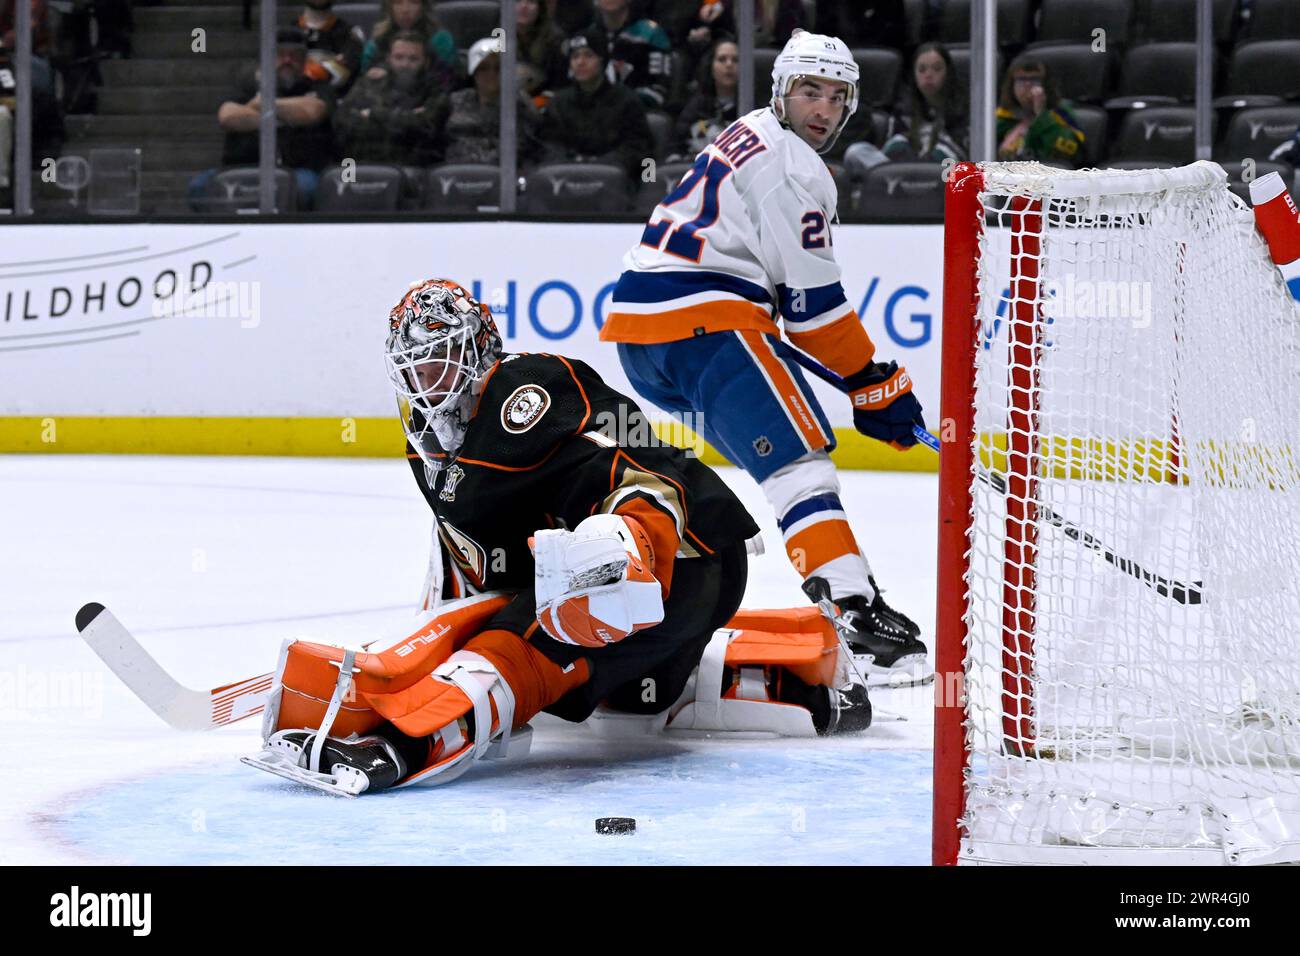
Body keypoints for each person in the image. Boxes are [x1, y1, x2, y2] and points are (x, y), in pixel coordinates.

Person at [241, 279, 872, 794]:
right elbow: (463, 558)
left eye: (439, 364)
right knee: (630, 703)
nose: (426, 385)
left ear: (477, 353)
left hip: (684, 553)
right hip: (624, 586)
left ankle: (407, 741)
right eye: (415, 371)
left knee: (535, 639)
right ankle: (797, 677)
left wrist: (621, 554)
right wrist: (428, 646)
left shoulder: (528, 390)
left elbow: (639, 475)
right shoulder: (426, 446)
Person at [599, 29, 930, 684]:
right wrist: (875, 383)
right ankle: (855, 617)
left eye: (838, 97)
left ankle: (645, 595)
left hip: (646, 335)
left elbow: (790, 301)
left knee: (771, 459)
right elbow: (813, 309)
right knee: (799, 466)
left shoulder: (750, 131)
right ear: (782, 90)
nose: (824, 108)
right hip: (703, 324)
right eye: (810, 90)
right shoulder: (794, 166)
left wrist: (867, 383)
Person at [190, 28, 337, 211]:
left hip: (298, 169)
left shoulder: (319, 87)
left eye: (295, 55)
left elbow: (314, 111)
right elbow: (228, 116)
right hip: (244, 166)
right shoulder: (246, 85)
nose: (287, 61)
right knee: (199, 186)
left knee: (305, 188)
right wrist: (287, 116)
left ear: (304, 60)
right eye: (280, 54)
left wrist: (262, 104)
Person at [538, 32, 653, 184]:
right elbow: (549, 143)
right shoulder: (559, 103)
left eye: (588, 55)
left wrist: (600, 166)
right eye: (575, 57)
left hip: (614, 184)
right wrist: (568, 164)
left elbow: (637, 147)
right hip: (564, 181)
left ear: (602, 60)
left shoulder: (627, 101)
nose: (580, 62)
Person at [844, 40, 967, 177]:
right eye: (922, 69)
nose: (929, 75)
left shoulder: (963, 109)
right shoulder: (903, 109)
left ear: (948, 73)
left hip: (940, 175)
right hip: (900, 170)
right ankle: (908, 181)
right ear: (914, 75)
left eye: (937, 69)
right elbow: (891, 150)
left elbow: (963, 153)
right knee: (857, 151)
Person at [334, 31, 449, 167]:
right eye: (399, 57)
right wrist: (408, 117)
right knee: (343, 177)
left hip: (412, 167)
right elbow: (341, 122)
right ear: (389, 58)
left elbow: (426, 127)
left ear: (426, 62)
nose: (405, 64)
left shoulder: (435, 90)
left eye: (413, 59)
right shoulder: (369, 83)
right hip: (359, 163)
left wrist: (372, 114)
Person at [441, 36, 545, 166]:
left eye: (498, 68)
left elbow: (522, 147)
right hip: (455, 174)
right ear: (474, 72)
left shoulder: (520, 104)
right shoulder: (454, 101)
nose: (491, 74)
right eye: (483, 68)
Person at [995, 55, 1084, 167]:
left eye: (1034, 79)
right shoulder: (1001, 116)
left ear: (1046, 85)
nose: (1028, 85)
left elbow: (1066, 156)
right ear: (1011, 84)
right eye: (1021, 79)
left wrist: (1041, 116)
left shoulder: (1061, 113)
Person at [585, 0, 673, 110]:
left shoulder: (651, 34)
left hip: (636, 114)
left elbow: (657, 91)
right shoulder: (587, 37)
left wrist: (617, 103)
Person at [359, 0, 457, 93]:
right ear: (389, 7)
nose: (405, 10)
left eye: (414, 2)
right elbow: (364, 77)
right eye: (398, 2)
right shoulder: (378, 40)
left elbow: (446, 81)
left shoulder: (440, 40)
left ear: (423, 6)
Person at [672, 36, 739, 159]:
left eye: (735, 60)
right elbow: (678, 145)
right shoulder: (696, 107)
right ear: (711, 67)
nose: (729, 64)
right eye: (722, 59)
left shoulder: (754, 109)